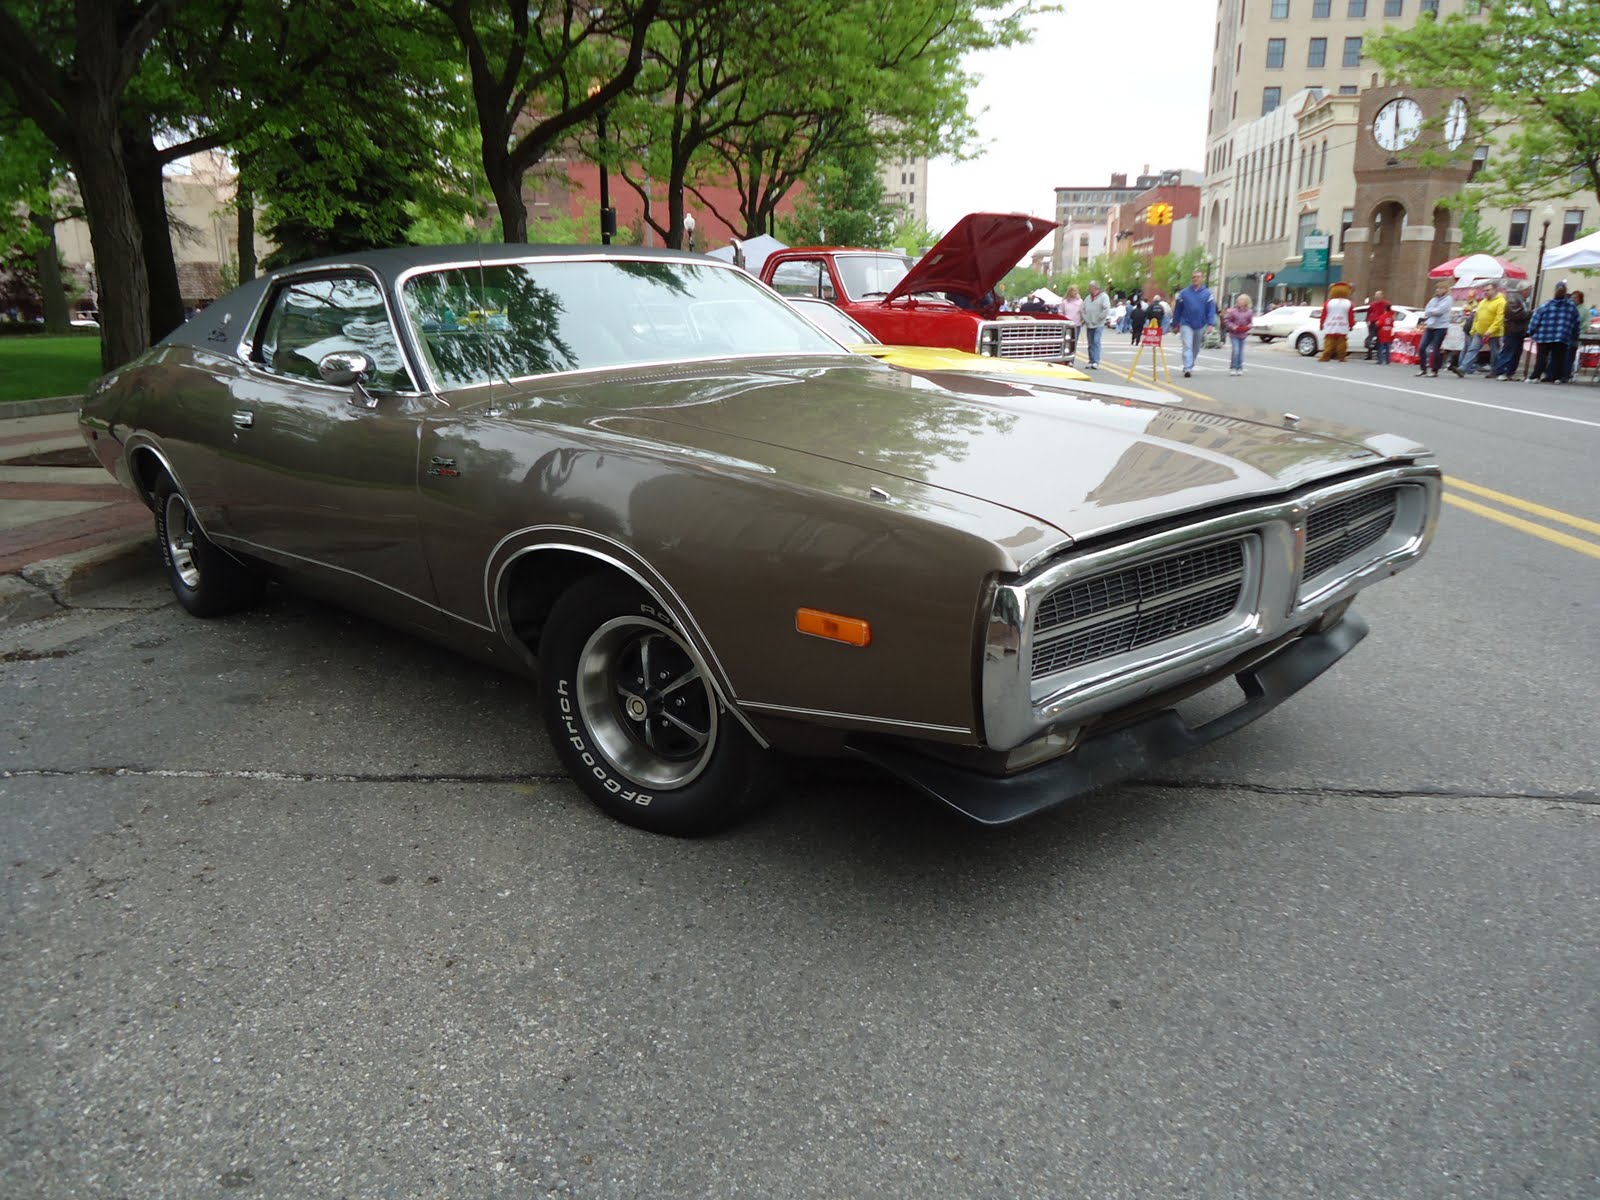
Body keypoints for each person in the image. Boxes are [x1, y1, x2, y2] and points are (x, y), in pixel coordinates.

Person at [1527, 282, 1582, 383]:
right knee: (1558, 357)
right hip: (1562, 335)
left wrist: (1531, 331)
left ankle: (1535, 376)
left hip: (1544, 335)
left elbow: (1536, 319)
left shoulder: (1546, 304)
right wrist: (1575, 334)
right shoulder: (1571, 306)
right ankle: (1555, 377)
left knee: (1541, 357)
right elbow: (1576, 322)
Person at [1170, 270, 1218, 377]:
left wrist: (1211, 324)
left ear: (1202, 279)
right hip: (1186, 323)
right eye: (1194, 277)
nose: (1195, 279)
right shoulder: (1184, 293)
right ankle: (1187, 368)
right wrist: (1175, 324)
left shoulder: (1208, 294)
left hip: (1200, 324)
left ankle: (1190, 364)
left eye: (1198, 277)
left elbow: (1211, 309)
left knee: (1195, 348)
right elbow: (1178, 310)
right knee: (1187, 345)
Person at [1462, 281, 1503, 376]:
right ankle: (1463, 368)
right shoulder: (1483, 302)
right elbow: (1477, 317)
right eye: (1484, 290)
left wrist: (1491, 330)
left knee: (1495, 352)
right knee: (1472, 349)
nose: (1486, 292)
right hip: (1480, 331)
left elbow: (1499, 318)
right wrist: (1474, 329)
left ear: (1495, 290)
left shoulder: (1501, 302)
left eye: (1488, 290)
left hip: (1493, 333)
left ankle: (1495, 370)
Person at [1492, 281, 1532, 380]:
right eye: (1529, 290)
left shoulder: (1522, 300)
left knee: (1516, 352)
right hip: (1513, 330)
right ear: (1524, 290)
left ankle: (1509, 372)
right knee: (1508, 350)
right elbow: (1515, 313)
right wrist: (1529, 313)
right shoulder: (1514, 299)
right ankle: (1502, 371)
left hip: (1519, 330)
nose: (1530, 292)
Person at [1418, 281, 1452, 377]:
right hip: (1430, 325)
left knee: (1436, 348)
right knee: (1422, 347)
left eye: (1441, 288)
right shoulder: (1433, 299)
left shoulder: (1448, 299)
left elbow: (1439, 311)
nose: (1438, 290)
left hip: (1441, 326)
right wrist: (1431, 311)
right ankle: (1423, 369)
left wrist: (1431, 311)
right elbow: (1427, 310)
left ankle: (1434, 370)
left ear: (1445, 290)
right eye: (1437, 288)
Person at [1318, 281, 1354, 363]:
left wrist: (1321, 324)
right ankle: (1342, 356)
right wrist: (1351, 325)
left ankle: (1326, 356)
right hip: (1343, 325)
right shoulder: (1348, 303)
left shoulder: (1328, 303)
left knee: (1329, 342)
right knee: (1342, 342)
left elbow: (1324, 314)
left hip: (1330, 325)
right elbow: (1351, 316)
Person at [1080, 280, 1111, 369]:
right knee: (1090, 343)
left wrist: (1099, 318)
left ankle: (1096, 361)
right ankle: (1091, 360)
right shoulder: (1088, 298)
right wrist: (1085, 318)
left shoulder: (1104, 297)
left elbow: (1106, 309)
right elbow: (1082, 309)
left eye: (1090, 287)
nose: (1089, 289)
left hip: (1099, 324)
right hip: (1089, 323)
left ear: (1095, 288)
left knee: (1096, 341)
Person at [1222, 292, 1253, 376]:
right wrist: (1232, 326)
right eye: (1239, 300)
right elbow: (1227, 320)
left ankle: (1239, 367)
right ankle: (1233, 367)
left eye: (1242, 300)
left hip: (1243, 334)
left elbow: (1251, 322)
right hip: (1234, 334)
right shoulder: (1233, 311)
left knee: (1241, 352)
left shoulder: (1249, 312)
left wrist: (1248, 327)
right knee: (1236, 351)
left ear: (1246, 302)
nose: (1240, 302)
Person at [1366, 291, 1393, 361]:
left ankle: (1379, 356)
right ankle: (1369, 353)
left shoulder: (1386, 304)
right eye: (1376, 295)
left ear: (1382, 296)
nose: (1377, 296)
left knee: (1379, 340)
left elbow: (1390, 313)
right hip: (1373, 323)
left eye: (1378, 295)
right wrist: (1368, 320)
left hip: (1381, 323)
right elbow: (1369, 313)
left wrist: (1385, 320)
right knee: (1369, 338)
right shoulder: (1372, 304)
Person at [1059, 285, 1084, 361]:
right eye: (1073, 291)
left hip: (1076, 325)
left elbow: (1083, 312)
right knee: (1065, 343)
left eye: (1076, 291)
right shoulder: (1064, 301)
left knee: (1073, 343)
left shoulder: (1080, 301)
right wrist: (1064, 318)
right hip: (1066, 325)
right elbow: (1060, 312)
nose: (1075, 292)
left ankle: (1071, 360)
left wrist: (1083, 320)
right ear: (1069, 292)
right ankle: (1064, 359)